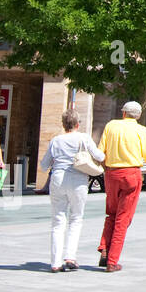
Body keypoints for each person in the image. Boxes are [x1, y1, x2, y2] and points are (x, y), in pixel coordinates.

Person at [39, 109, 106, 272]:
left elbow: (43, 165)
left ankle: (55, 262)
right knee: (76, 218)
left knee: (57, 221)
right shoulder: (83, 138)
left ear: (63, 124)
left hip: (58, 178)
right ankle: (70, 255)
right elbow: (99, 156)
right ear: (77, 124)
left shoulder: (56, 140)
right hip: (78, 180)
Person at [97, 101, 146, 272]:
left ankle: (104, 247)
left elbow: (99, 153)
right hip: (131, 174)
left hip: (112, 173)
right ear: (138, 116)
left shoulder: (111, 126)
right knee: (123, 219)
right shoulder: (142, 130)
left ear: (123, 113)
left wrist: (107, 168)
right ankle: (112, 260)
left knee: (111, 213)